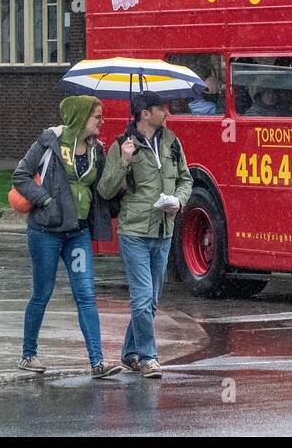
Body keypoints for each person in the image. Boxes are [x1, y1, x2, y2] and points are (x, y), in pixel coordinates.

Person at [12, 95, 122, 380]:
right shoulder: (49, 142)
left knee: (85, 295)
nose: (102, 121)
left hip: (78, 234)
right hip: (46, 232)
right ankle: (28, 354)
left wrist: (122, 165)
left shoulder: (98, 150)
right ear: (80, 117)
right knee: (42, 293)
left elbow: (105, 190)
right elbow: (21, 175)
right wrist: (46, 200)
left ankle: (97, 362)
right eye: (97, 116)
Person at [98, 91, 192, 379]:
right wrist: (124, 161)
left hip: (164, 230)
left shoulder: (171, 142)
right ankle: (149, 357)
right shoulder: (122, 145)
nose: (167, 114)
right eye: (160, 109)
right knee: (141, 298)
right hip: (135, 231)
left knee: (151, 300)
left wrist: (179, 200)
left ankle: (129, 353)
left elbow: (186, 179)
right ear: (144, 114)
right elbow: (106, 189)